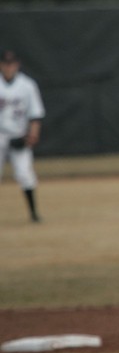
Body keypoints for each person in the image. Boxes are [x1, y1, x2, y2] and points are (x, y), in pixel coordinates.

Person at [0, 49, 46, 223]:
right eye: (5, 63)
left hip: (18, 134)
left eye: (12, 63)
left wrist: (32, 135)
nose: (9, 67)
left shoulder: (27, 85)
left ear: (17, 65)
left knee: (25, 174)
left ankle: (33, 214)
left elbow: (35, 114)